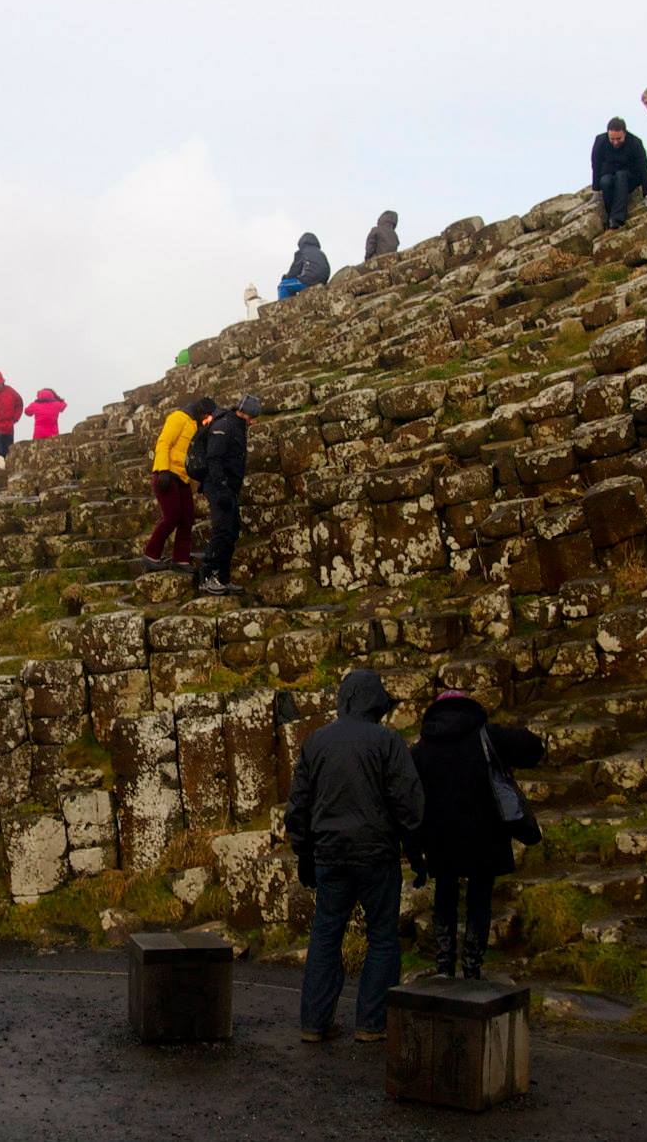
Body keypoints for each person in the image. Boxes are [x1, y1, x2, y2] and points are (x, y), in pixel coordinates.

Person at [286, 668, 425, 1043]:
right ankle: (371, 1023)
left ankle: (314, 1023)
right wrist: (415, 851)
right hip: (377, 854)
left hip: (329, 854)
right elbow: (407, 802)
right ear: (376, 701)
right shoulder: (387, 742)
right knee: (381, 936)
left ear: (344, 699)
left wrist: (304, 853)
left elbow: (298, 804)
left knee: (326, 934)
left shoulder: (316, 742)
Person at [409, 690, 544, 980]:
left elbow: (408, 796)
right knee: (479, 897)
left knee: (444, 894)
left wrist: (414, 844)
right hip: (485, 835)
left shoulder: (422, 748)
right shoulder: (487, 736)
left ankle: (445, 963)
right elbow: (533, 747)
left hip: (440, 837)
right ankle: (472, 964)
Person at [141, 396, 216, 572]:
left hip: (183, 477)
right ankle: (150, 555)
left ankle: (181, 560)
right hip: (166, 475)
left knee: (187, 518)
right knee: (171, 517)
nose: (207, 420)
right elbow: (164, 443)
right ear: (200, 412)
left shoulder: (196, 425)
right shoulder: (178, 418)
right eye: (207, 416)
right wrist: (163, 470)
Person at [196, 393, 260, 597]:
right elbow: (214, 459)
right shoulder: (224, 425)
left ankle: (222, 578)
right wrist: (222, 488)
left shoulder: (237, 426)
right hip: (218, 487)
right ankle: (206, 578)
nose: (252, 421)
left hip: (228, 488)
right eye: (251, 416)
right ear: (244, 412)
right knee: (222, 530)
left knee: (232, 531)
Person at [591, 117, 647, 231]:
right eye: (612, 139)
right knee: (605, 181)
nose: (615, 142)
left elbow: (644, 168)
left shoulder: (635, 142)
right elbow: (596, 165)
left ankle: (617, 219)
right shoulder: (600, 141)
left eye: (618, 138)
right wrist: (595, 190)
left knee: (621, 176)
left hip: (630, 177)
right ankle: (610, 216)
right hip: (609, 174)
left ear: (625, 133)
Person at [277, 232, 329, 299]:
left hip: (309, 281)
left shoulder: (302, 252)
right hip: (322, 281)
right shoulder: (321, 253)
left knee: (283, 285)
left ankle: (284, 308)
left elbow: (294, 271)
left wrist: (285, 277)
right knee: (293, 284)